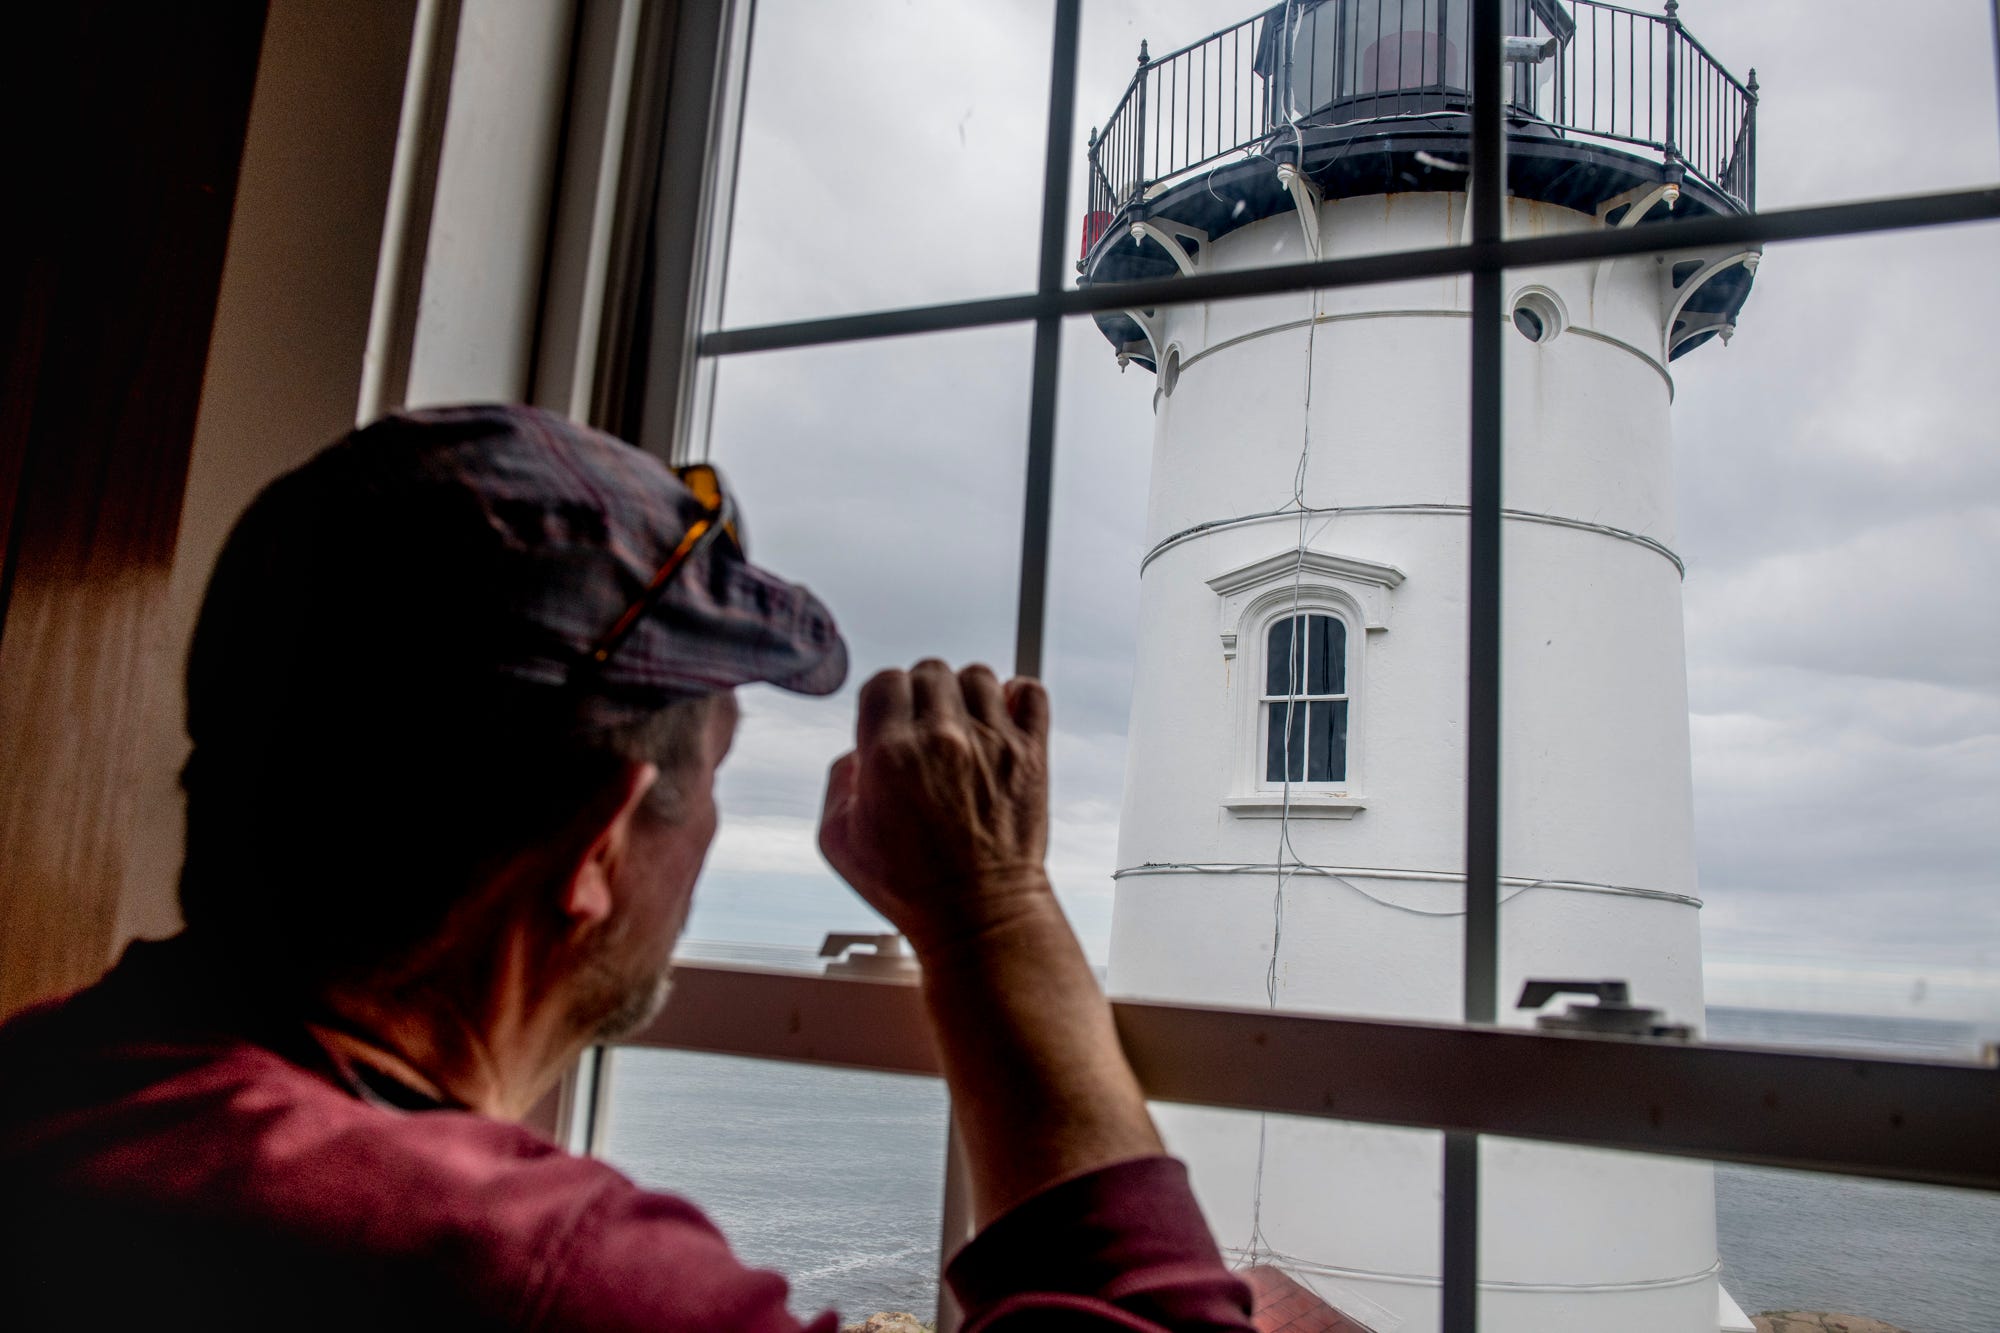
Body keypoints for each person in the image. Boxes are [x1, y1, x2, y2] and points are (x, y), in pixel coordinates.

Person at [0, 405, 1253, 1331]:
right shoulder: (530, 1275)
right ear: (599, 843)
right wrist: (993, 909)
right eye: (711, 774)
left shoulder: (49, 1086)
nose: (707, 829)